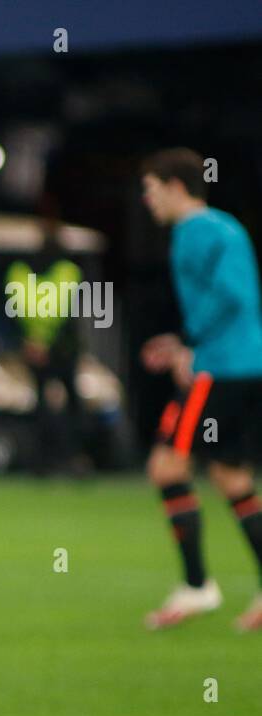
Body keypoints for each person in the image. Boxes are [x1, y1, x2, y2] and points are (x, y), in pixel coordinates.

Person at [138, 147, 262, 630]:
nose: (147, 201)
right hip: (246, 365)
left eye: (150, 190)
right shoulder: (228, 226)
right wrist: (182, 342)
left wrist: (189, 344)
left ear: (174, 186)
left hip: (221, 368)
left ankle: (196, 587)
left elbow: (233, 297)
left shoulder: (194, 231)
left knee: (166, 466)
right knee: (232, 477)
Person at [5, 210, 88, 475]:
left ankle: (46, 460)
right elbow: (69, 313)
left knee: (43, 403)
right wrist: (47, 344)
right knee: (70, 404)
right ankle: (71, 457)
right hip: (62, 350)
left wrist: (31, 342)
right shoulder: (69, 271)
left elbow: (14, 310)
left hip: (36, 349)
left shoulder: (20, 270)